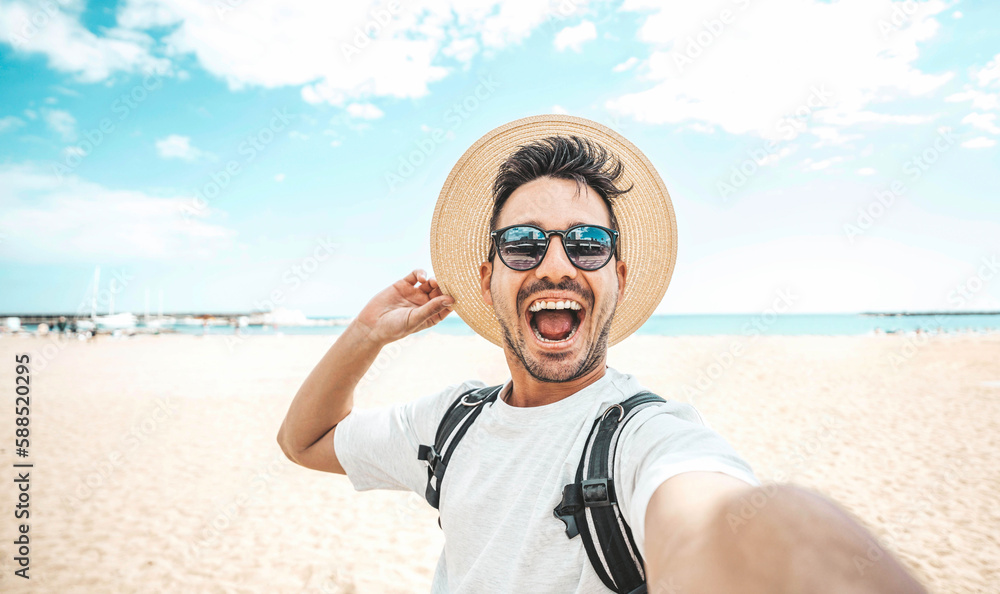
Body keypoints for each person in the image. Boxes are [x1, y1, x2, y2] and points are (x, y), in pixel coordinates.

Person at [277, 115, 926, 593]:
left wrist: (795, 530)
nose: (555, 264)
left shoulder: (646, 437)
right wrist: (366, 334)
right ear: (486, 279)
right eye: (524, 243)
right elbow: (302, 440)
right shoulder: (449, 423)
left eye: (585, 243)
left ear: (616, 274)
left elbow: (715, 524)